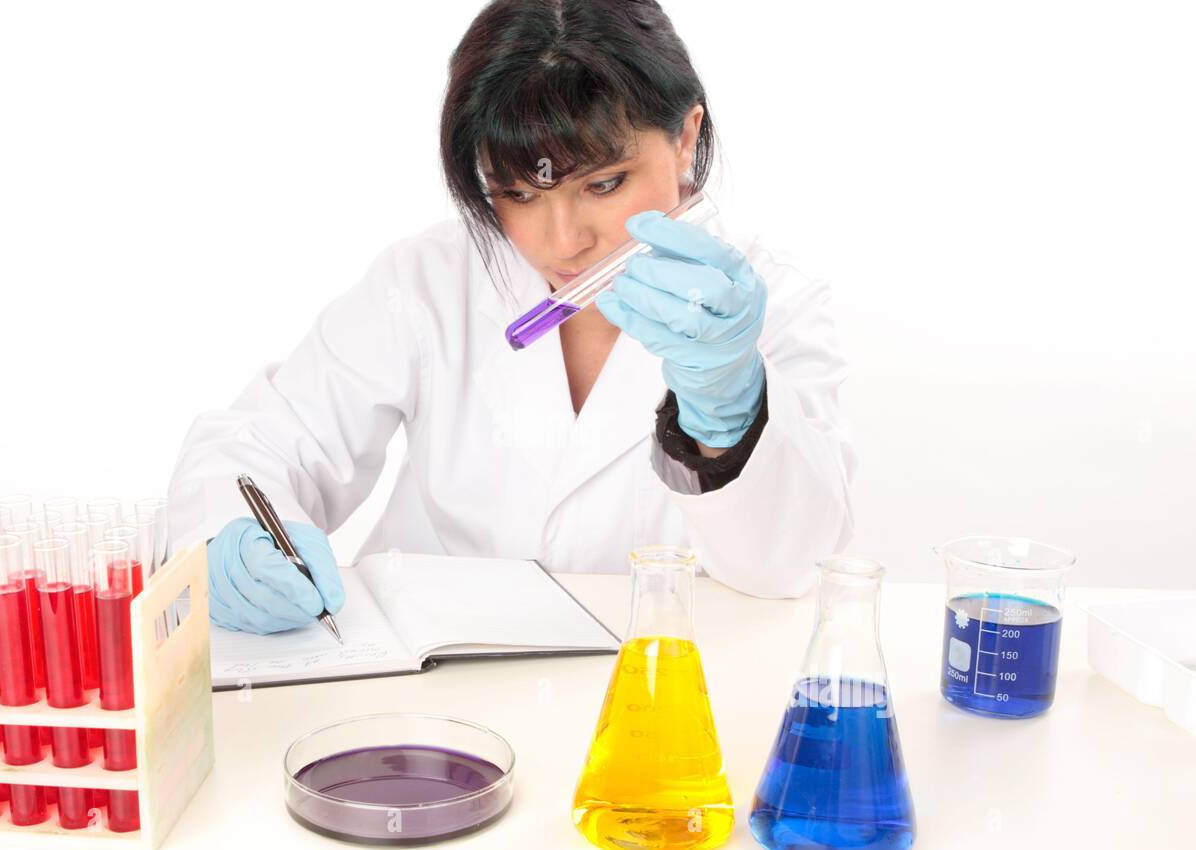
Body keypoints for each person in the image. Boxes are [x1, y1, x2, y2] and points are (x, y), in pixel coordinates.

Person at [168, 0, 855, 635]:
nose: (562, 242)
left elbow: (791, 568)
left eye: (604, 184)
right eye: (518, 193)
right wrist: (230, 539)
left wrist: (733, 419)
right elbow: (263, 445)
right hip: (430, 698)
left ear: (685, 137)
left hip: (654, 699)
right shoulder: (429, 280)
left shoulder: (774, 302)